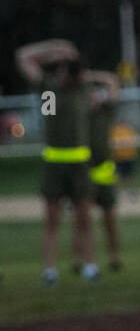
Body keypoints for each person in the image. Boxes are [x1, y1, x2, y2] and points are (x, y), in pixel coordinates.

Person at [16, 39, 98, 285]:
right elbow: (23, 55)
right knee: (52, 222)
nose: (65, 72)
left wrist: (69, 54)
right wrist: (56, 48)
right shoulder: (48, 90)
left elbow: (79, 63)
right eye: (62, 68)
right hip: (54, 165)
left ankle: (90, 267)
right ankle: (50, 271)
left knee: (84, 220)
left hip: (79, 165)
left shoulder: (82, 90)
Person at [85, 70, 125, 270]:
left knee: (109, 219)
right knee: (83, 221)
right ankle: (82, 261)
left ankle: (114, 257)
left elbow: (112, 82)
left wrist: (90, 75)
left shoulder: (106, 112)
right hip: (84, 172)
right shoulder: (80, 115)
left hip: (105, 172)